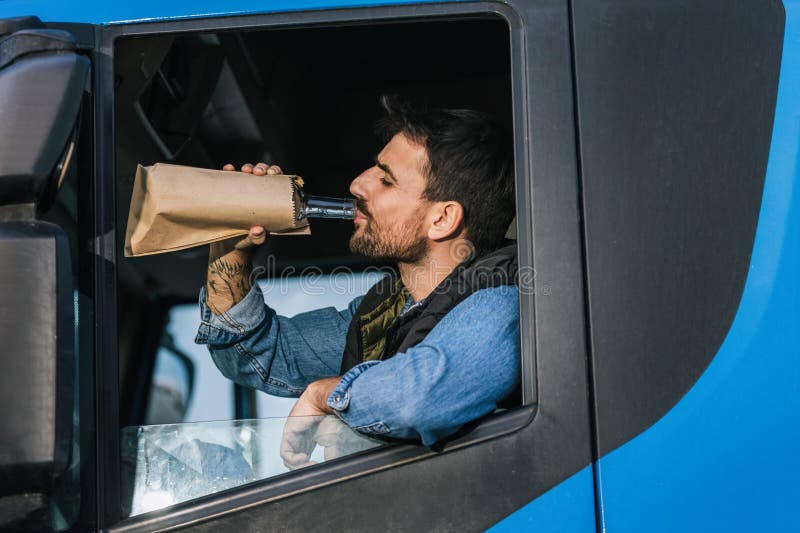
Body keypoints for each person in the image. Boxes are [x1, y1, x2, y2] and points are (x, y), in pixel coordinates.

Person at [195, 97, 520, 466]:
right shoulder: (384, 312)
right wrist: (230, 252)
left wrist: (323, 394)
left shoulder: (500, 302)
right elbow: (257, 356)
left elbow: (420, 399)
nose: (357, 184)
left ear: (443, 219)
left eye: (386, 179)